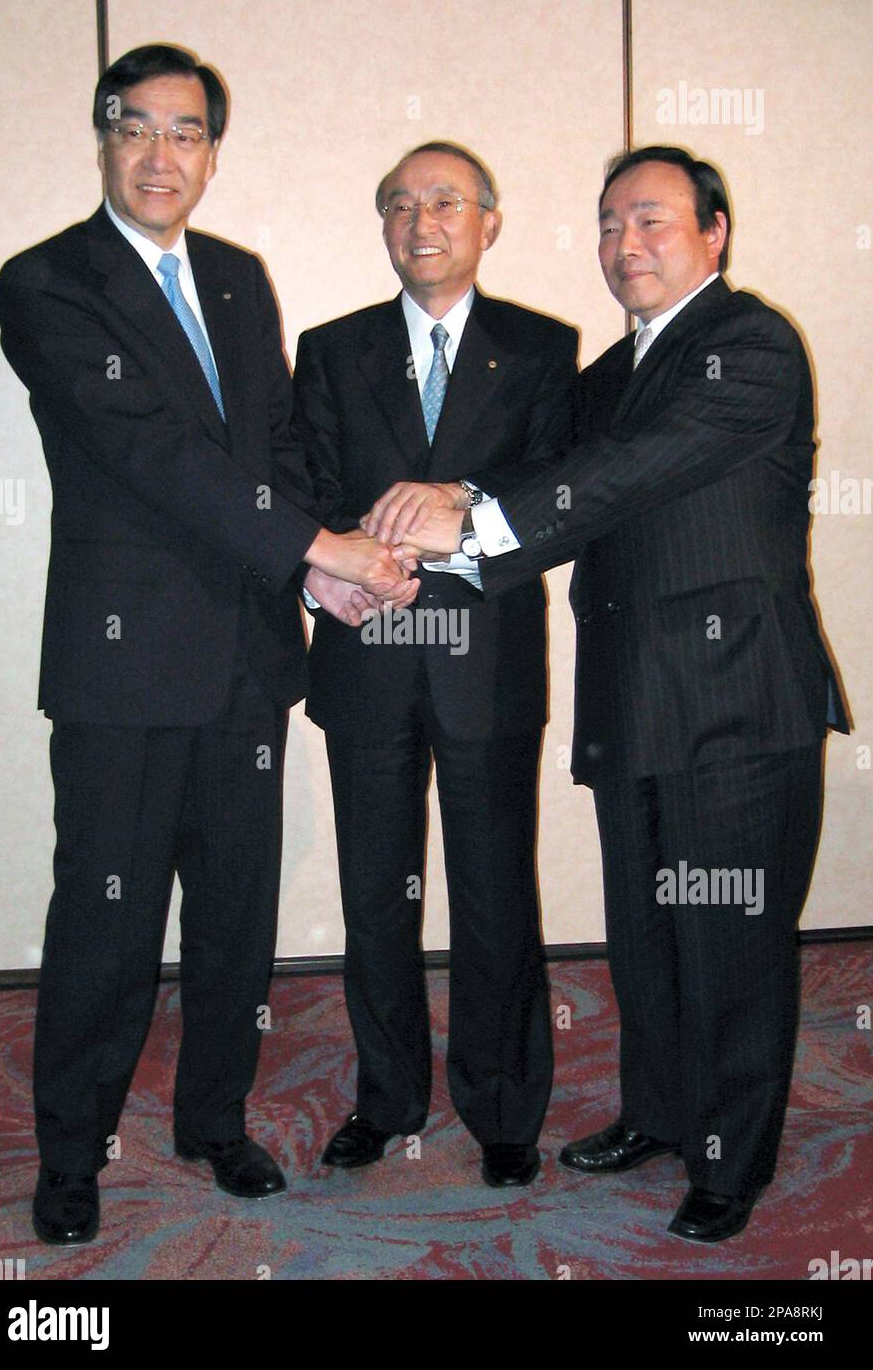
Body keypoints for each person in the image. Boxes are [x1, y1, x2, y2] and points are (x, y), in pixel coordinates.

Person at [375, 146, 848, 1239]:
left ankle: (730, 1163)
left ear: (714, 233)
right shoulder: (613, 374)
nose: (624, 245)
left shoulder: (749, 347)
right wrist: (422, 530)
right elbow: (543, 485)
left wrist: (477, 520)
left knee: (729, 946)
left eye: (651, 221)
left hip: (735, 706)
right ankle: (662, 1111)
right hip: (633, 700)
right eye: (606, 225)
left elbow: (632, 471)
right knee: (645, 936)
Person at [0, 43, 407, 1245]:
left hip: (247, 657)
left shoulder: (236, 277)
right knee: (107, 918)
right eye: (137, 127)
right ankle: (73, 1152)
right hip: (123, 666)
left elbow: (273, 441)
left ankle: (213, 1121)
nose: (160, 153)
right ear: (102, 135)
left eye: (186, 133)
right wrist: (321, 545)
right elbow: (152, 455)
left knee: (237, 911)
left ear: (213, 154)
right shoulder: (47, 282)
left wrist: (313, 577)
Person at [292, 142, 578, 1186]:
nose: (422, 219)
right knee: (376, 891)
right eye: (400, 202)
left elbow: (556, 495)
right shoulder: (331, 348)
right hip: (368, 650)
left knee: (496, 888)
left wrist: (453, 514)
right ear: (383, 226)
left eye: (445, 201)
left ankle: (505, 1109)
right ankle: (386, 1096)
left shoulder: (543, 348)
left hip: (484, 658)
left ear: (488, 222)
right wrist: (346, 566)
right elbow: (306, 482)